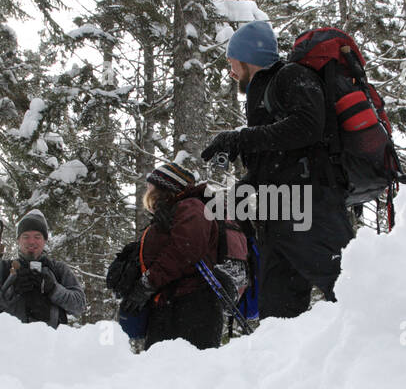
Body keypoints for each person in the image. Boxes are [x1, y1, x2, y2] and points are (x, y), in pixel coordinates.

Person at [201, 19, 354, 319]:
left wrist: (240, 138)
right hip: (280, 217)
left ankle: (388, 355)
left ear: (248, 59)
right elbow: (275, 159)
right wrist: (242, 191)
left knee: (351, 291)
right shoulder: (263, 94)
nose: (231, 72)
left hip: (314, 206)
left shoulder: (291, 76)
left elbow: (308, 126)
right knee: (277, 319)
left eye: (233, 63)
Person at [121, 162, 224, 350]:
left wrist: (148, 282)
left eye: (150, 185)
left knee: (189, 371)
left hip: (192, 307)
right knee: (161, 372)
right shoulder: (169, 214)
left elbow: (185, 250)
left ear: (163, 188)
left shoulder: (192, 206)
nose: (147, 189)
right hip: (169, 306)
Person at [0, 209, 87, 327]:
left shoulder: (58, 270)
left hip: (51, 342)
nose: (31, 241)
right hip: (10, 341)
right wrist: (11, 291)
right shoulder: (4, 268)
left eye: (37, 236)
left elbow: (80, 305)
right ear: (18, 240)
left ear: (45, 240)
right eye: (26, 236)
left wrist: (53, 289)